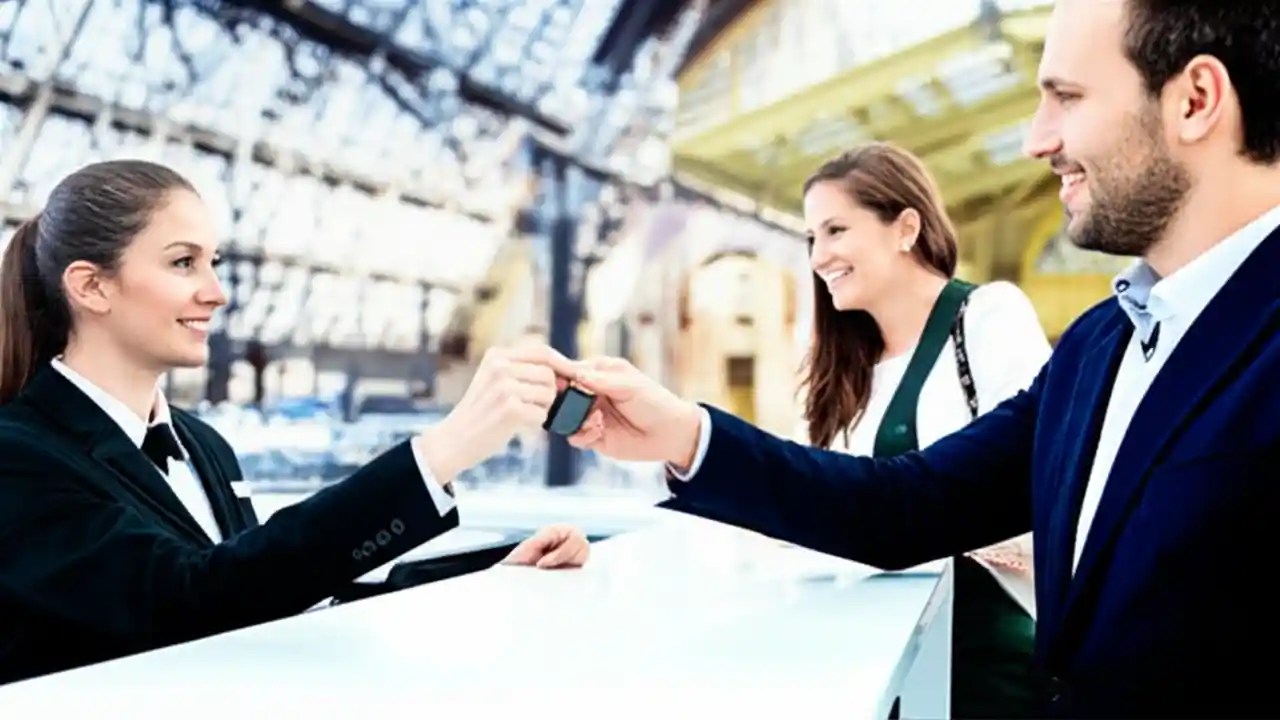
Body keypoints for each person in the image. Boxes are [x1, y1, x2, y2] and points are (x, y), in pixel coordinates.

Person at [563, 0, 1280, 716]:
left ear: (1195, 101)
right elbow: (905, 506)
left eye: (1066, 97)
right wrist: (688, 436)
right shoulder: (1100, 347)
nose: (1037, 140)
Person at [0, 159, 589, 686]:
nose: (217, 292)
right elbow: (190, 600)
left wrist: (486, 578)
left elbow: (265, 598)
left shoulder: (205, 446)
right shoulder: (17, 455)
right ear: (92, 286)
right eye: (184, 263)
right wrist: (440, 453)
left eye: (214, 263)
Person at [691, 142, 1051, 717]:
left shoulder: (986, 317)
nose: (818, 256)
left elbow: (1045, 480)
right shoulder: (843, 368)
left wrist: (903, 523)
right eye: (812, 238)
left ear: (905, 227)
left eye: (836, 230)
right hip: (877, 657)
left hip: (987, 659)